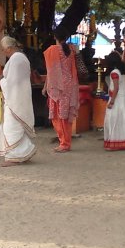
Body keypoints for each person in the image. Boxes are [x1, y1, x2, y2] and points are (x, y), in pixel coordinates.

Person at [0, 35, 37, 166]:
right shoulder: (19, 58)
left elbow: (12, 81)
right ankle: (24, 152)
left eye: (3, 50)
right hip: (17, 96)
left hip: (15, 97)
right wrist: (3, 77)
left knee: (11, 127)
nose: (3, 53)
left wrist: (0, 83)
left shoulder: (17, 59)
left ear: (8, 48)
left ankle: (14, 157)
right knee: (13, 127)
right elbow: (10, 76)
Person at [42, 24, 79, 152]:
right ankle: (65, 142)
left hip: (57, 86)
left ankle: (63, 143)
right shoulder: (71, 49)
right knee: (65, 115)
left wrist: (46, 86)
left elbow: (51, 71)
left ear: (54, 36)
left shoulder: (52, 50)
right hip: (70, 85)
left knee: (58, 116)